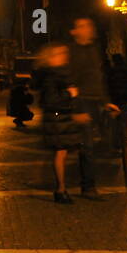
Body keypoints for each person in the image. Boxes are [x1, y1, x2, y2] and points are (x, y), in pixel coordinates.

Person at [67, 18, 115, 199]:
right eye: (83, 26)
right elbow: (70, 81)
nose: (89, 29)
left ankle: (87, 181)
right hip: (83, 102)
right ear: (75, 32)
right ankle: (88, 187)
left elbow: (98, 77)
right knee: (86, 145)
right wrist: (76, 108)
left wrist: (106, 101)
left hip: (96, 101)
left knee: (99, 144)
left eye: (89, 25)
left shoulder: (94, 50)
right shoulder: (72, 52)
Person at [36, 42, 87, 204]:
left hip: (63, 118)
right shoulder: (51, 76)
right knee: (60, 152)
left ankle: (62, 187)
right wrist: (69, 93)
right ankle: (61, 189)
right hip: (57, 119)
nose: (64, 57)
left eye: (65, 53)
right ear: (51, 58)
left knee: (64, 152)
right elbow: (50, 100)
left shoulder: (61, 73)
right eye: (59, 54)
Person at [106, 52, 127, 153]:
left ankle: (116, 144)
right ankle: (124, 143)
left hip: (114, 101)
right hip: (125, 101)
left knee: (114, 123)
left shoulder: (110, 72)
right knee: (124, 123)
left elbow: (108, 87)